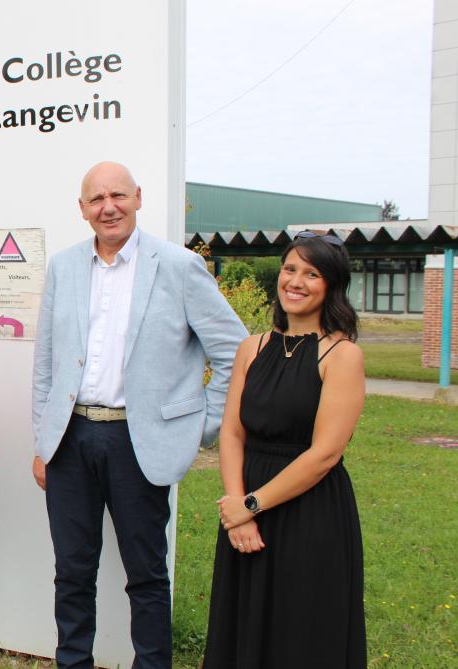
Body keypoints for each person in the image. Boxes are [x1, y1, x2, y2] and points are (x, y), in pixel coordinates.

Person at [31, 162, 246, 668]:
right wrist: (44, 442)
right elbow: (46, 363)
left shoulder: (177, 266)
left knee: (147, 575)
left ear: (139, 198)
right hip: (69, 440)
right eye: (97, 198)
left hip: (138, 442)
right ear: (82, 209)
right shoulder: (63, 267)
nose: (109, 206)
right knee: (72, 572)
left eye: (119, 195)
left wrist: (200, 426)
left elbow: (237, 353)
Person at [203, 231, 366, 668]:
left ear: (331, 284)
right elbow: (233, 433)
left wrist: (251, 505)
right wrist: (238, 506)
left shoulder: (342, 356)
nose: (296, 281)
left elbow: (325, 454)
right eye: (290, 269)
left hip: (308, 511)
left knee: (302, 628)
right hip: (244, 503)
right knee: (243, 623)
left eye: (311, 274)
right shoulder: (251, 348)